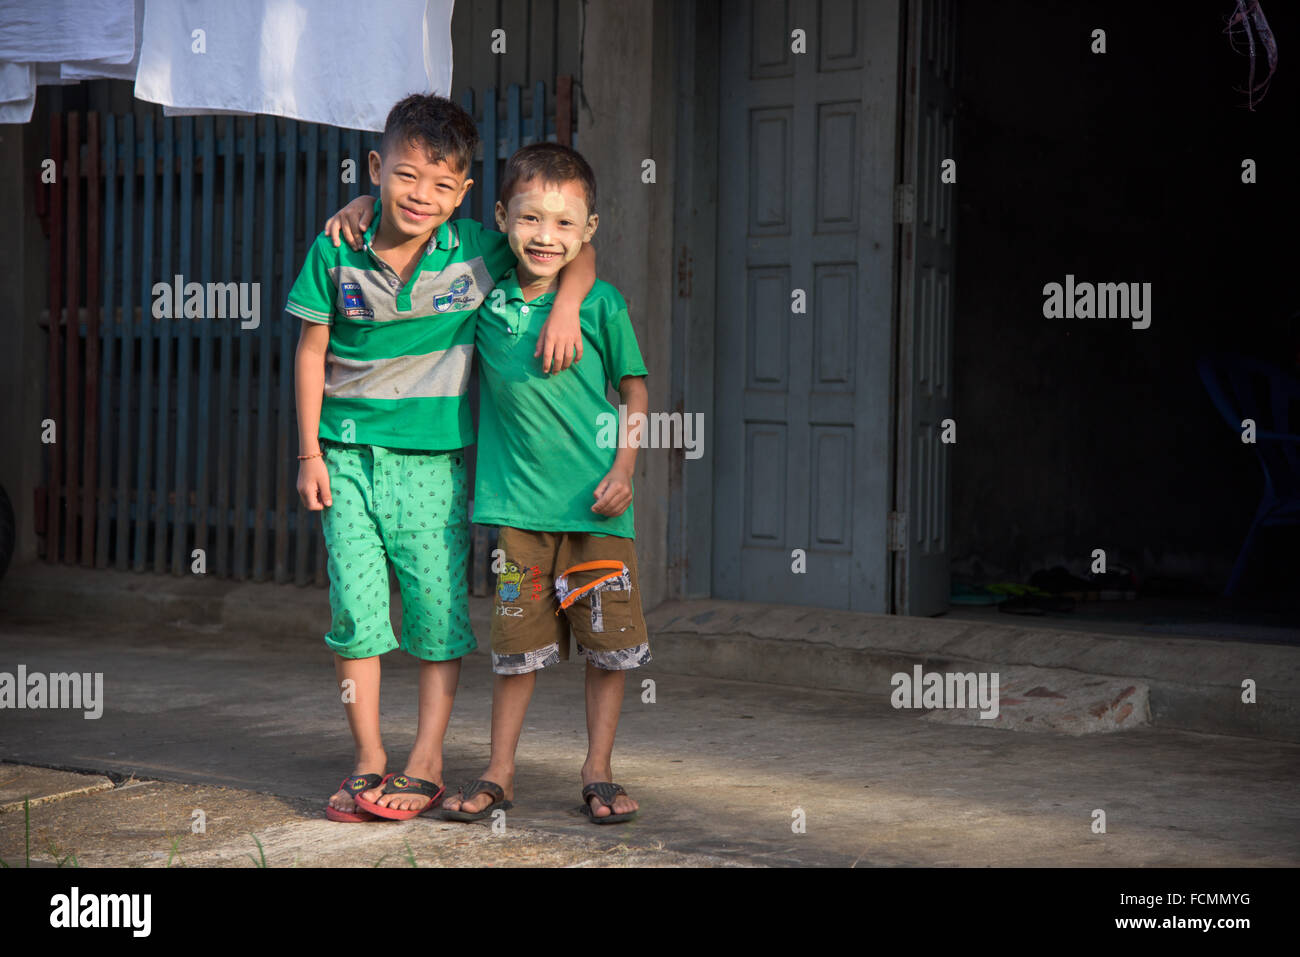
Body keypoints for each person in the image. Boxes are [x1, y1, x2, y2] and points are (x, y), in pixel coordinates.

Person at [291, 95, 593, 822]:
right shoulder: (336, 247)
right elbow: (310, 351)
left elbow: (574, 251)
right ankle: (368, 757)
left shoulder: (479, 250)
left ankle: (425, 761)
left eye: (440, 183)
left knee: (435, 613)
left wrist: (567, 308)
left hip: (434, 466)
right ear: (375, 169)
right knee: (356, 614)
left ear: (464, 195)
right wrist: (309, 452)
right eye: (403, 176)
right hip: (347, 459)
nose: (420, 195)